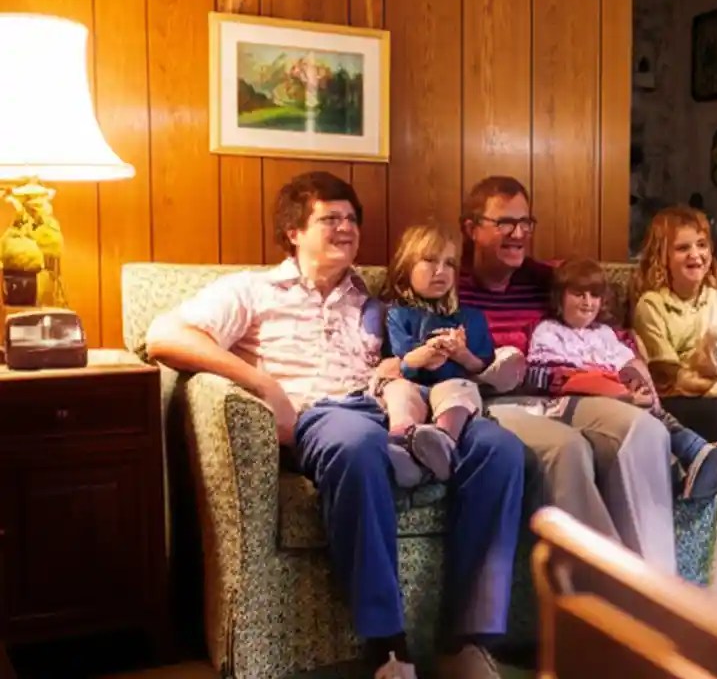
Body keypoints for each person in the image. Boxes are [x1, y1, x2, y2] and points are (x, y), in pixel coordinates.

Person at [145, 171, 523, 679]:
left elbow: (410, 360)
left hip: (392, 409)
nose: (345, 228)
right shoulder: (253, 290)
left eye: (351, 219)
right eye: (330, 218)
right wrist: (263, 385)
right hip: (324, 416)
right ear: (294, 232)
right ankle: (388, 647)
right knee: (358, 444)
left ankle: (467, 642)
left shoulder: (373, 301)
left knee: (499, 447)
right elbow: (164, 335)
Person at [456, 175, 678, 573]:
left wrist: (633, 369)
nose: (518, 234)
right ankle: (608, 599)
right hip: (496, 402)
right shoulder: (449, 285)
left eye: (526, 223)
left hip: (566, 395)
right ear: (471, 229)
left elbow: (607, 330)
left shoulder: (544, 280)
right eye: (504, 223)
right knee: (566, 448)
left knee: (647, 431)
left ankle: (659, 591)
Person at [526, 257, 717, 499]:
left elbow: (626, 364)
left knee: (655, 414)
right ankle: (695, 454)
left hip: (622, 395)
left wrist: (638, 386)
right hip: (581, 402)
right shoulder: (549, 331)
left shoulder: (604, 333)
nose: (588, 302)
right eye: (579, 294)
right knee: (642, 417)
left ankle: (692, 463)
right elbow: (552, 375)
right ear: (560, 299)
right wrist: (618, 390)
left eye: (594, 295)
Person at [374, 223, 495, 486]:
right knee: (398, 390)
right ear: (406, 267)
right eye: (429, 261)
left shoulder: (470, 318)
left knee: (458, 388)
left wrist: (461, 354)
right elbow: (401, 361)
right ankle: (401, 444)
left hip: (452, 386)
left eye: (450, 263)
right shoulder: (397, 313)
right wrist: (430, 353)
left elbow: (481, 366)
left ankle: (444, 441)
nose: (441, 271)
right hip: (412, 385)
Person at [630, 206, 717, 445]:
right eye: (682, 248)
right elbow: (669, 380)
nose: (695, 254)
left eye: (702, 244)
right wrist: (713, 387)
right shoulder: (651, 305)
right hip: (677, 398)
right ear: (662, 257)